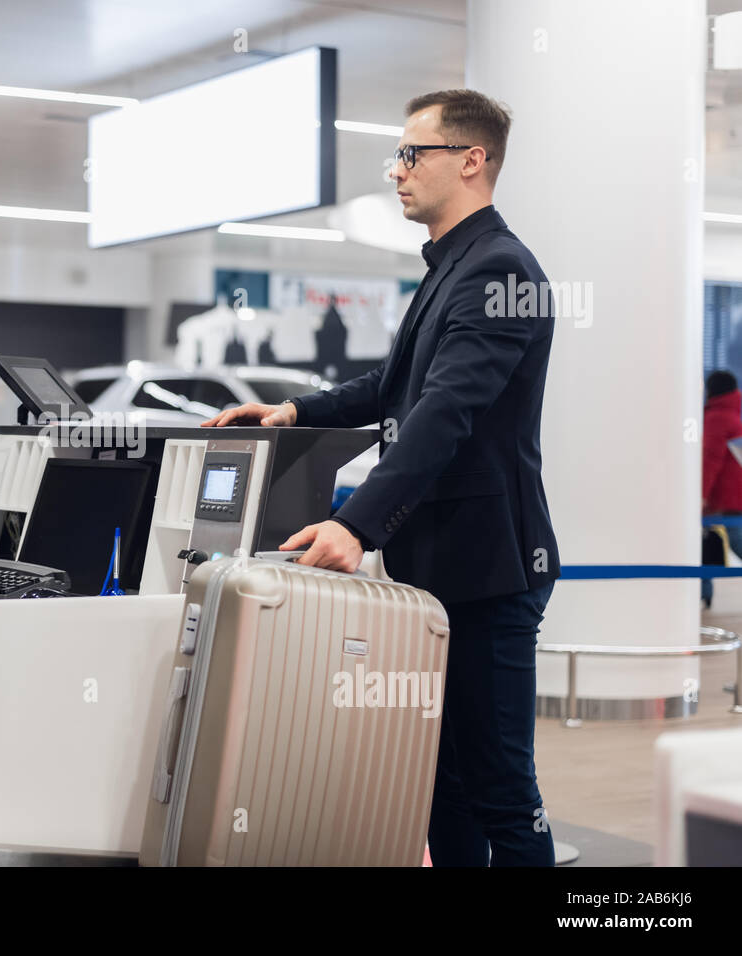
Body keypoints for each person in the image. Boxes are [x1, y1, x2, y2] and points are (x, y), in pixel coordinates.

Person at [203, 89, 560, 867]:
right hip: (440, 568)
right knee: (441, 783)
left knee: (501, 790)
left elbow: (444, 411)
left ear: (471, 160)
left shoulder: (502, 270)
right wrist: (293, 409)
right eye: (396, 154)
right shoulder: (451, 266)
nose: (396, 171)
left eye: (411, 153)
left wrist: (356, 523)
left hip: (492, 570)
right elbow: (393, 384)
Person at [701, 370, 742, 607]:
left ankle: (703, 591)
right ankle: (703, 591)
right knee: (704, 542)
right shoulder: (731, 415)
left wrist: (702, 495)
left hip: (726, 497)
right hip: (732, 495)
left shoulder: (718, 417)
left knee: (735, 541)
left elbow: (710, 460)